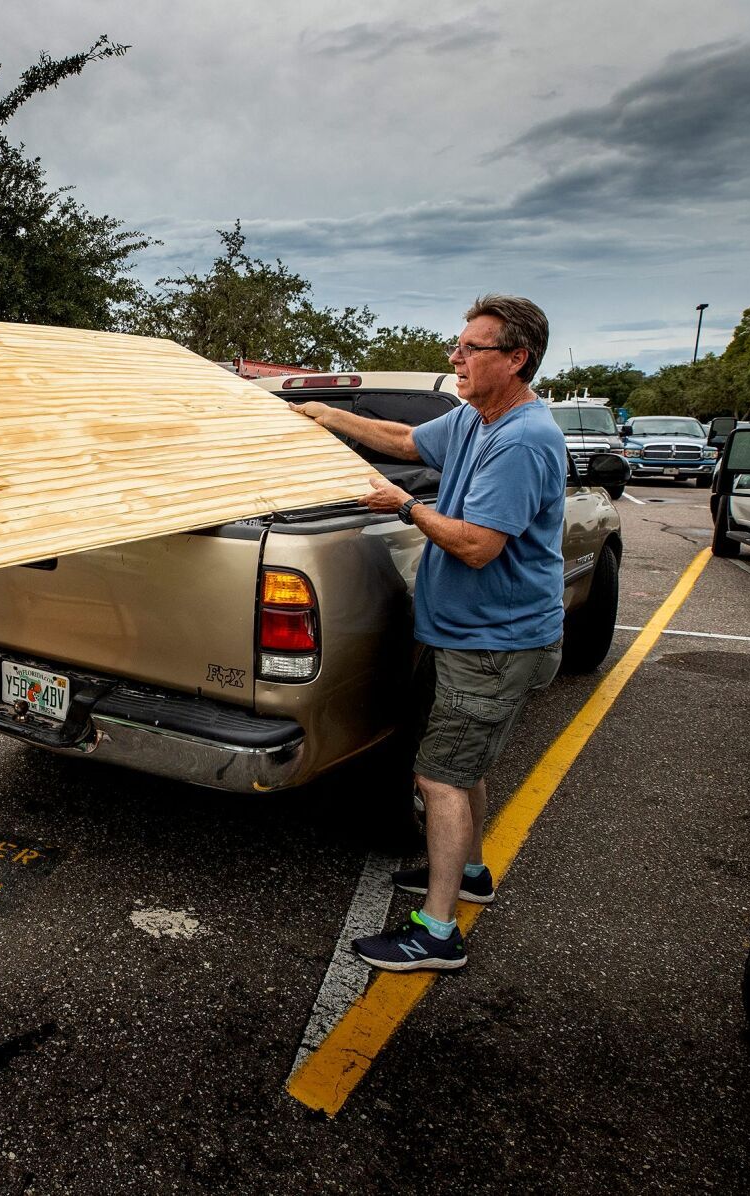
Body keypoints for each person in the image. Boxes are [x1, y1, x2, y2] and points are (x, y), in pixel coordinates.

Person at [291, 294, 566, 972]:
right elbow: (407, 441)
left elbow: (476, 545)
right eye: (459, 345)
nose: (455, 358)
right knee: (463, 769)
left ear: (515, 358)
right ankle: (469, 873)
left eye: (470, 349)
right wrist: (330, 417)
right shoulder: (476, 419)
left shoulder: (522, 439)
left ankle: (435, 932)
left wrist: (405, 505)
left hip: (495, 646)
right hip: (474, 638)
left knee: (437, 778)